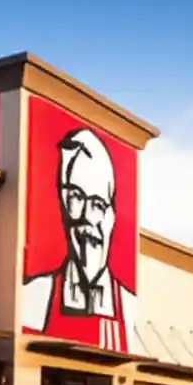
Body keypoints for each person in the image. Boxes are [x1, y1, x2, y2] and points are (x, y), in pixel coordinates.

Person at [22, 128, 137, 352]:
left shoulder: (129, 306)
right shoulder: (34, 297)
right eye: (76, 197)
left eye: (97, 204)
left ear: (112, 216)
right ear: (63, 205)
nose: (86, 216)